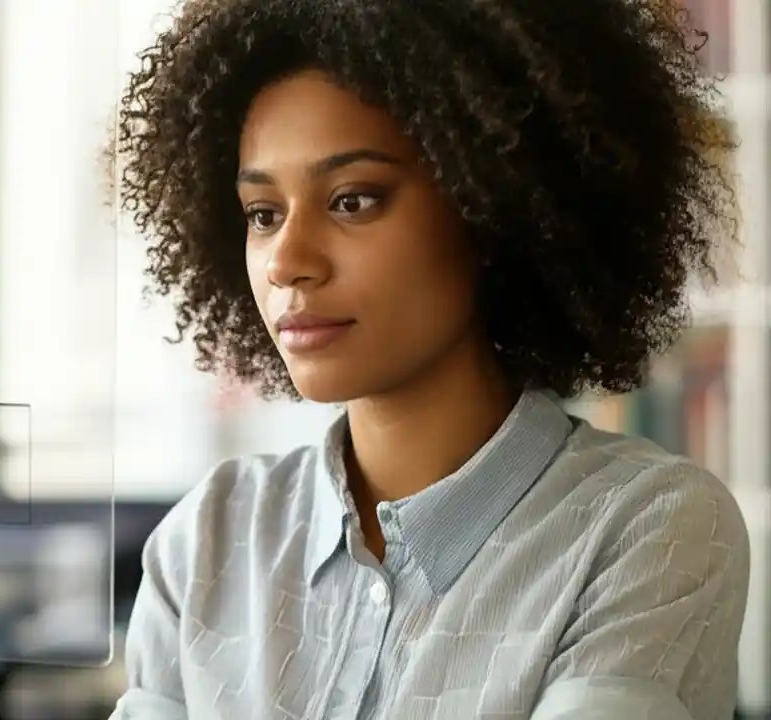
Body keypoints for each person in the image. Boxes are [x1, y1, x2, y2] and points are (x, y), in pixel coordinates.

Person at [108, 0, 752, 718]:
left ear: (489, 206)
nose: (286, 261)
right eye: (264, 214)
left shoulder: (645, 526)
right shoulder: (209, 538)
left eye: (353, 201)